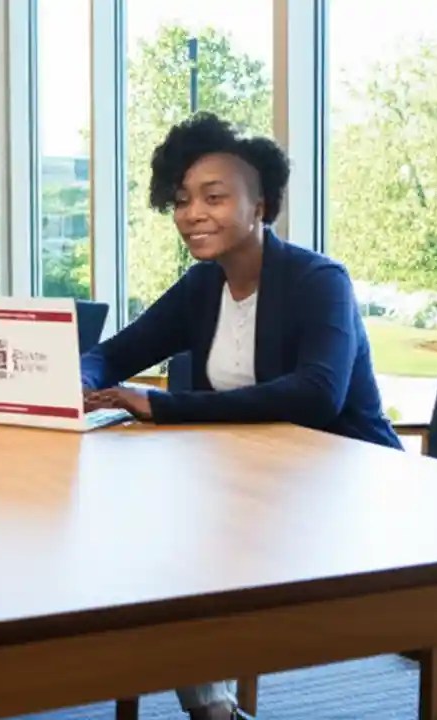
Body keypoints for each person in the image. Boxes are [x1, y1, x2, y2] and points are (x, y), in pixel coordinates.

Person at [81, 113, 401, 718]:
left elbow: (317, 395)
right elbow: (114, 353)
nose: (192, 214)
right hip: (252, 482)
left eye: (214, 197)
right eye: (181, 200)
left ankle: (210, 707)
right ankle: (208, 705)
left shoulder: (319, 281)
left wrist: (163, 406)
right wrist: (82, 380)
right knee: (150, 529)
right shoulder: (203, 287)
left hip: (344, 483)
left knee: (178, 544)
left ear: (262, 205)